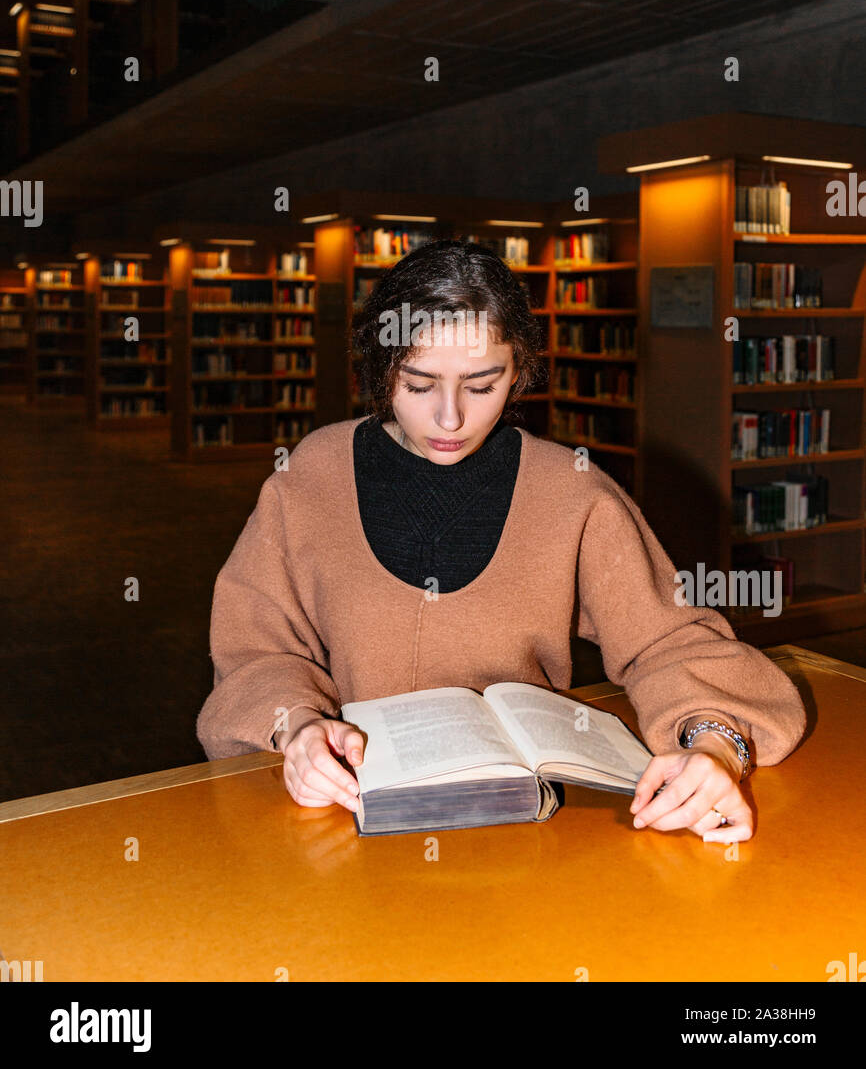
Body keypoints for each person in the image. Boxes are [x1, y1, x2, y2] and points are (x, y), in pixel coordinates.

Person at [197, 240, 806, 843]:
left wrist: (714, 743)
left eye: (482, 385)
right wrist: (298, 725)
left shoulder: (571, 491)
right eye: (418, 384)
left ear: (520, 372)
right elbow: (256, 649)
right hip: (341, 815)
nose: (450, 417)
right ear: (383, 370)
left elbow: (669, 642)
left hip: (523, 824)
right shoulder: (311, 475)